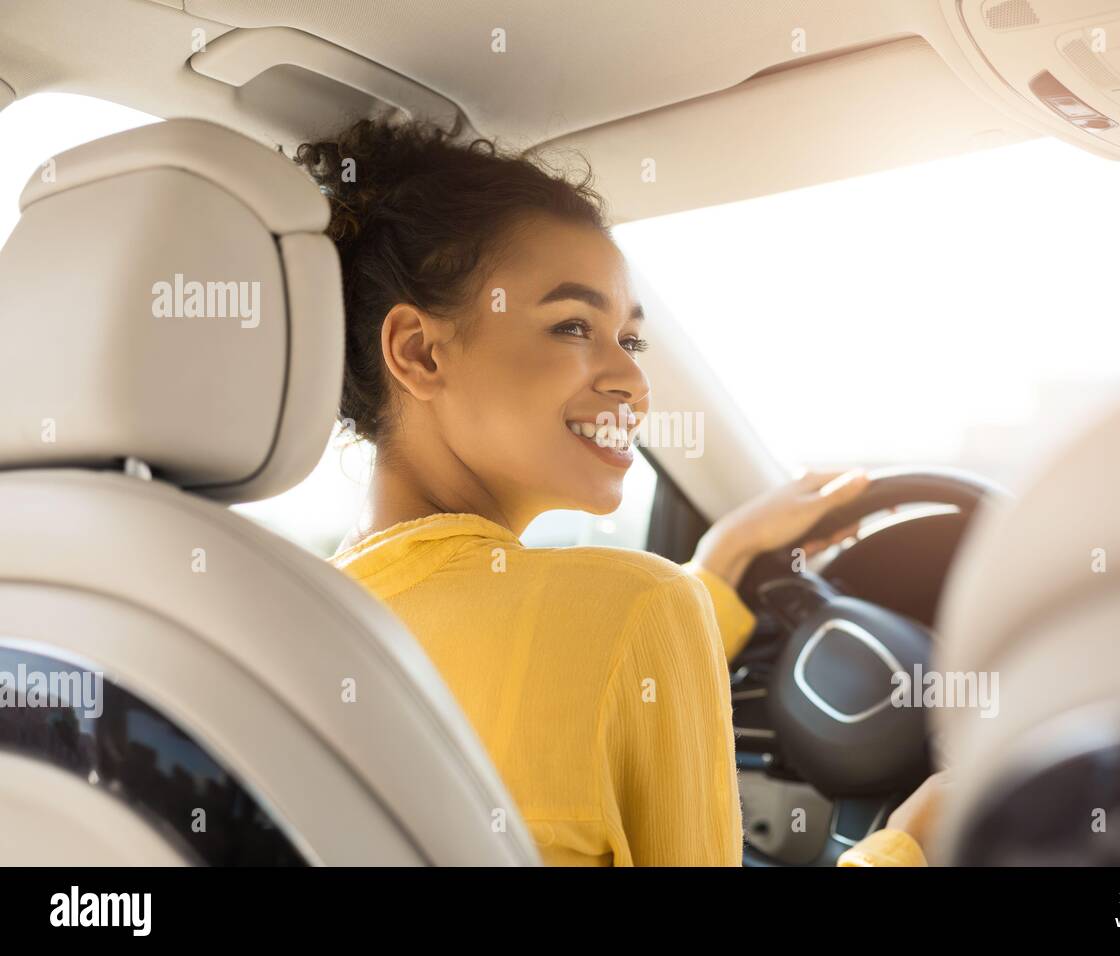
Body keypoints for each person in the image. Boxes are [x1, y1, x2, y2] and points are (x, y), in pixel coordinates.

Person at [305, 116, 932, 865]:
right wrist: (914, 844)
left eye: (631, 340)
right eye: (573, 327)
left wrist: (719, 567)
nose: (632, 380)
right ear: (419, 352)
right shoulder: (637, 607)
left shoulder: (305, 621)